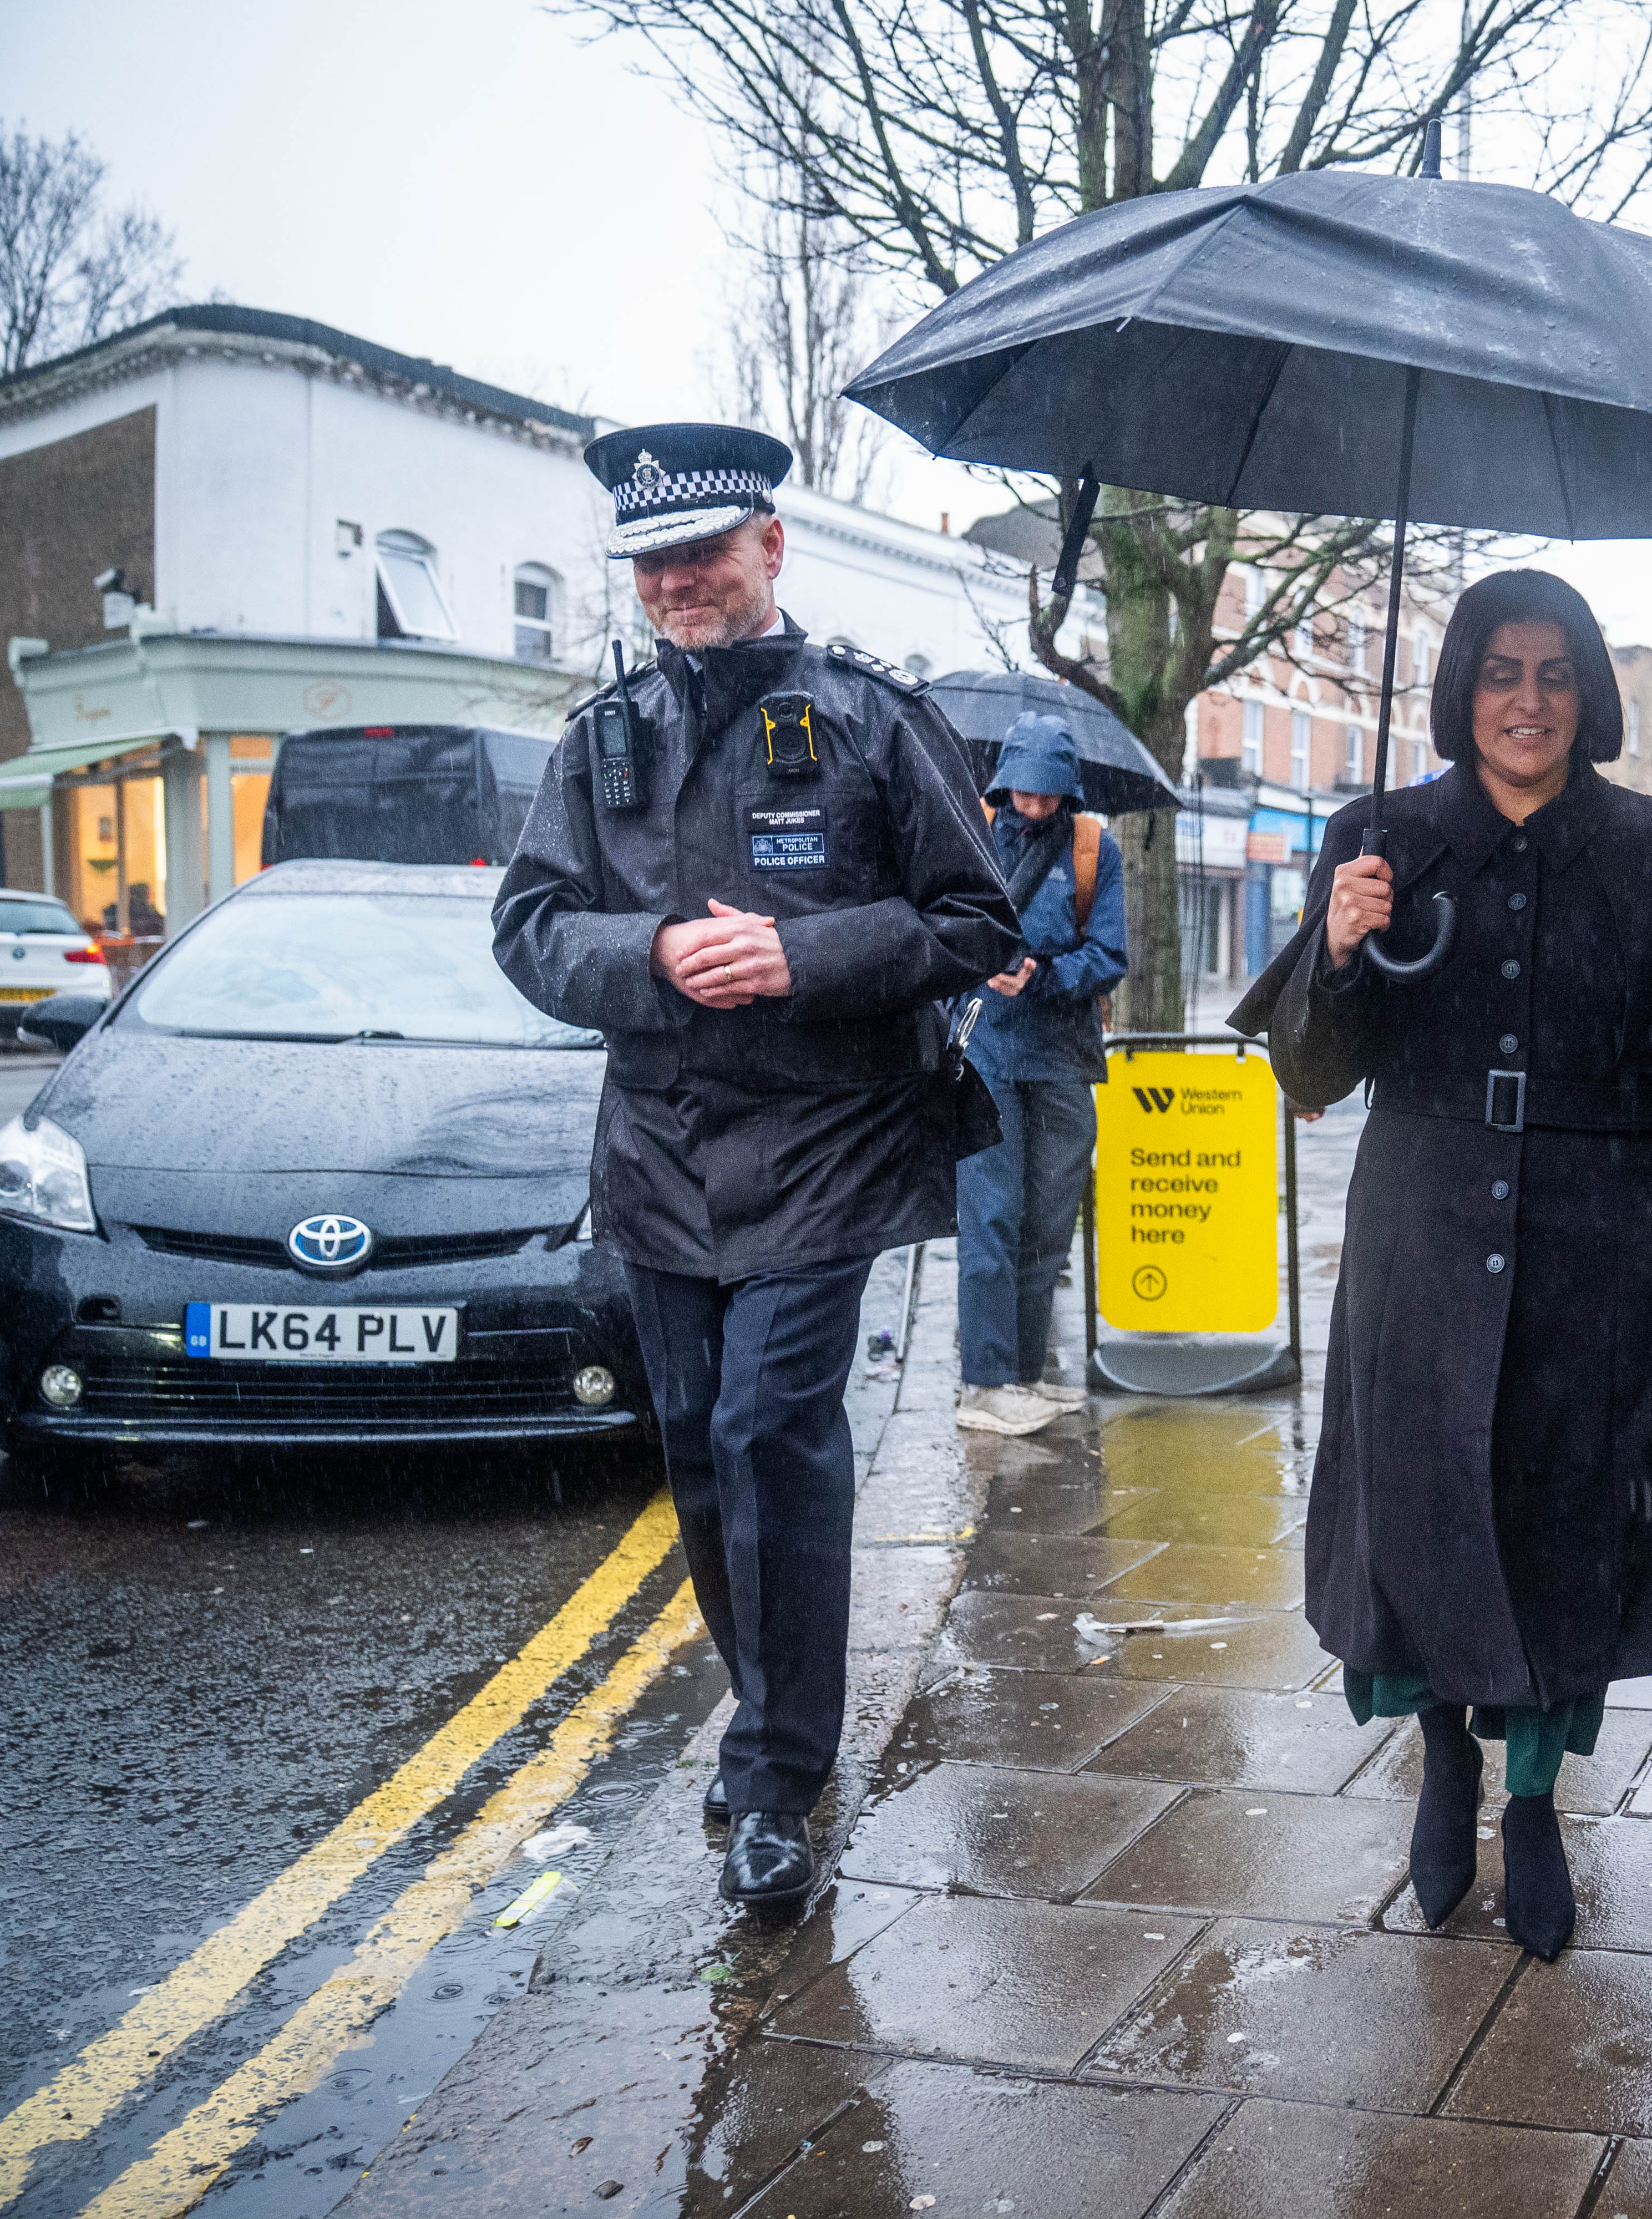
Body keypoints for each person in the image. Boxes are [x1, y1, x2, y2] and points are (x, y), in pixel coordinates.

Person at [493, 422, 1019, 1918]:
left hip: (825, 1141)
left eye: (704, 554)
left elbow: (975, 925)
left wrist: (801, 954)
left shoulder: (870, 719)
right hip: (659, 1149)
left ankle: (778, 1773)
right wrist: (651, 951)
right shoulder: (599, 740)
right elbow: (530, 928)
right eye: (652, 562)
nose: (678, 583)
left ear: (769, 547)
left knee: (769, 1427)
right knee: (695, 1452)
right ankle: (771, 1710)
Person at [1230, 568, 1652, 1963]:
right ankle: (1442, 1755)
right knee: (1418, 1510)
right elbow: (1306, 1072)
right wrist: (1337, 946)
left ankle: (1532, 1797)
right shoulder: (1380, 840)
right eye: (1499, 673)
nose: (1527, 702)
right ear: (1459, 688)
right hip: (1418, 1223)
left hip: (1600, 1235)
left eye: (1554, 673)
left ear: (1587, 692)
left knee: (1562, 1523)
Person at [953, 715, 1127, 1438]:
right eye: (1023, 793)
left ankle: (1023, 1374)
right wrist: (982, 959)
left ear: (1068, 793)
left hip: (1061, 1055)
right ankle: (985, 1384)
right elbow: (935, 927)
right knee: (990, 1218)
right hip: (985, 1052)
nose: (1033, 806)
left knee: (1049, 1223)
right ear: (1004, 784)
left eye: (1047, 796)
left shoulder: (1093, 849)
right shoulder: (967, 832)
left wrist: (1045, 973)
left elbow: (1110, 953)